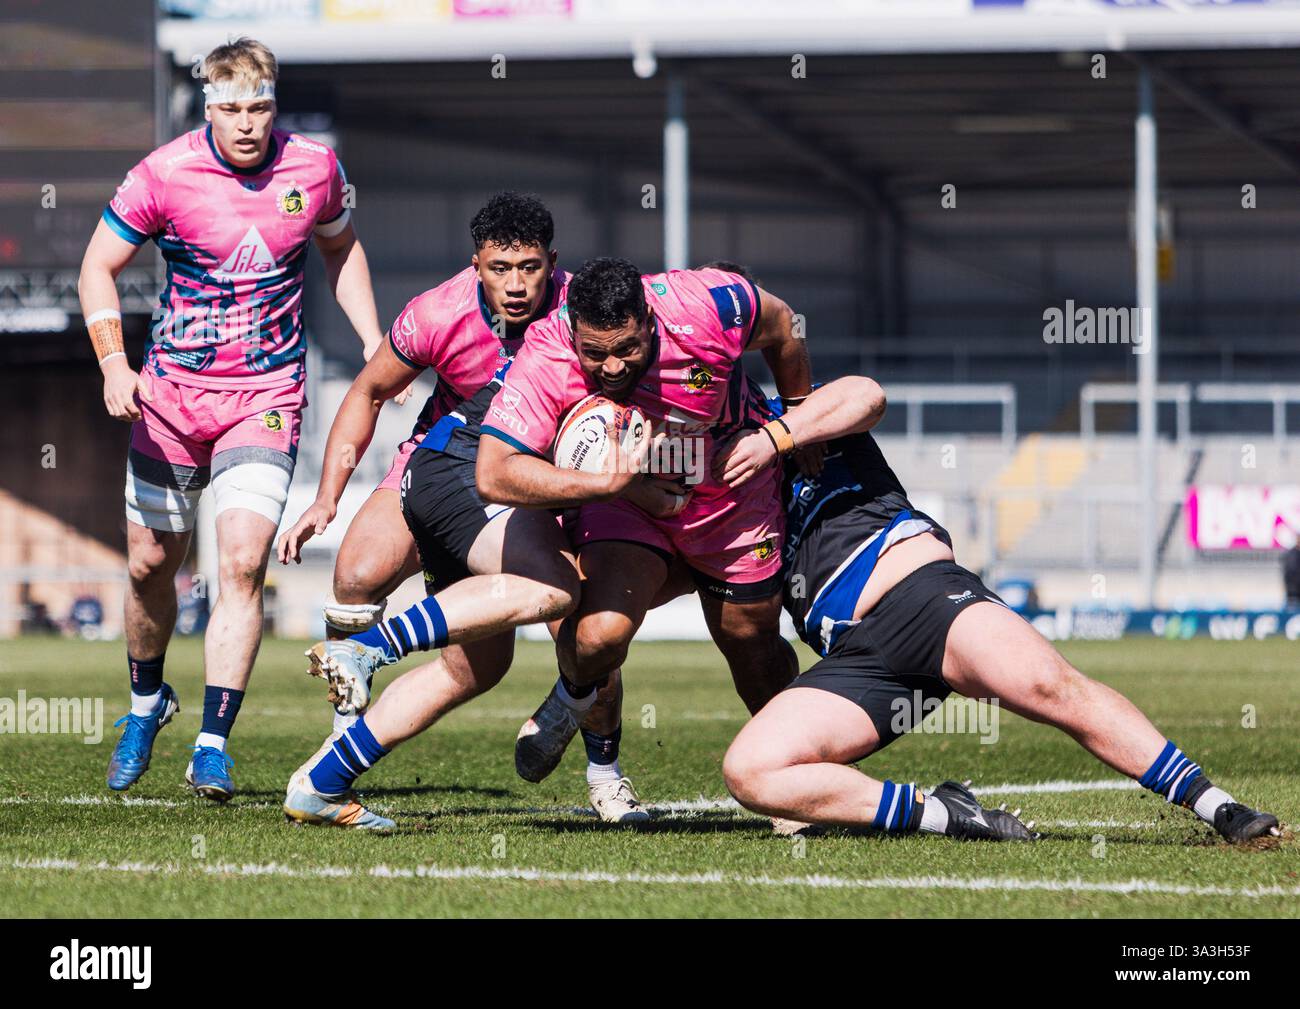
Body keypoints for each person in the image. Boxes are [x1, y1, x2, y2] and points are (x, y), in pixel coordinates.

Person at [719, 377, 1280, 844]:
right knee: (752, 770)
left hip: (924, 601)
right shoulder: (707, 474)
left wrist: (776, 438)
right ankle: (945, 814)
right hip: (855, 660)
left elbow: (868, 394)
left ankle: (1218, 807)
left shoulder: (800, 408)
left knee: (1048, 687)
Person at [82, 37, 384, 800]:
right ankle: (148, 704)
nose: (249, 123)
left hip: (265, 395)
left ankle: (213, 742)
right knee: (154, 564)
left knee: (242, 562)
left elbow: (341, 249)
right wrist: (116, 363)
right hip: (171, 397)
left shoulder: (315, 168)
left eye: (261, 107)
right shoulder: (164, 174)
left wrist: (374, 338)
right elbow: (97, 266)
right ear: (208, 107)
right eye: (233, 109)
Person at [276, 199, 639, 827]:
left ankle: (603, 771)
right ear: (476, 266)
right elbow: (368, 389)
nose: (518, 285)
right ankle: (350, 697)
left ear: (554, 263)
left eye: (531, 267)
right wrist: (327, 496)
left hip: (536, 482)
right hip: (454, 465)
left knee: (509, 657)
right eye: (501, 268)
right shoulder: (437, 313)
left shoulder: (591, 313)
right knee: (361, 573)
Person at [474, 257, 814, 790]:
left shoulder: (712, 304)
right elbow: (493, 474)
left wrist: (799, 419)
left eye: (626, 349)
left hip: (732, 494)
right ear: (572, 331)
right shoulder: (546, 350)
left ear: (650, 322)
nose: (611, 367)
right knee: (596, 639)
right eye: (595, 353)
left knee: (753, 644)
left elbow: (786, 327)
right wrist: (611, 484)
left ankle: (797, 776)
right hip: (630, 500)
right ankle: (588, 732)